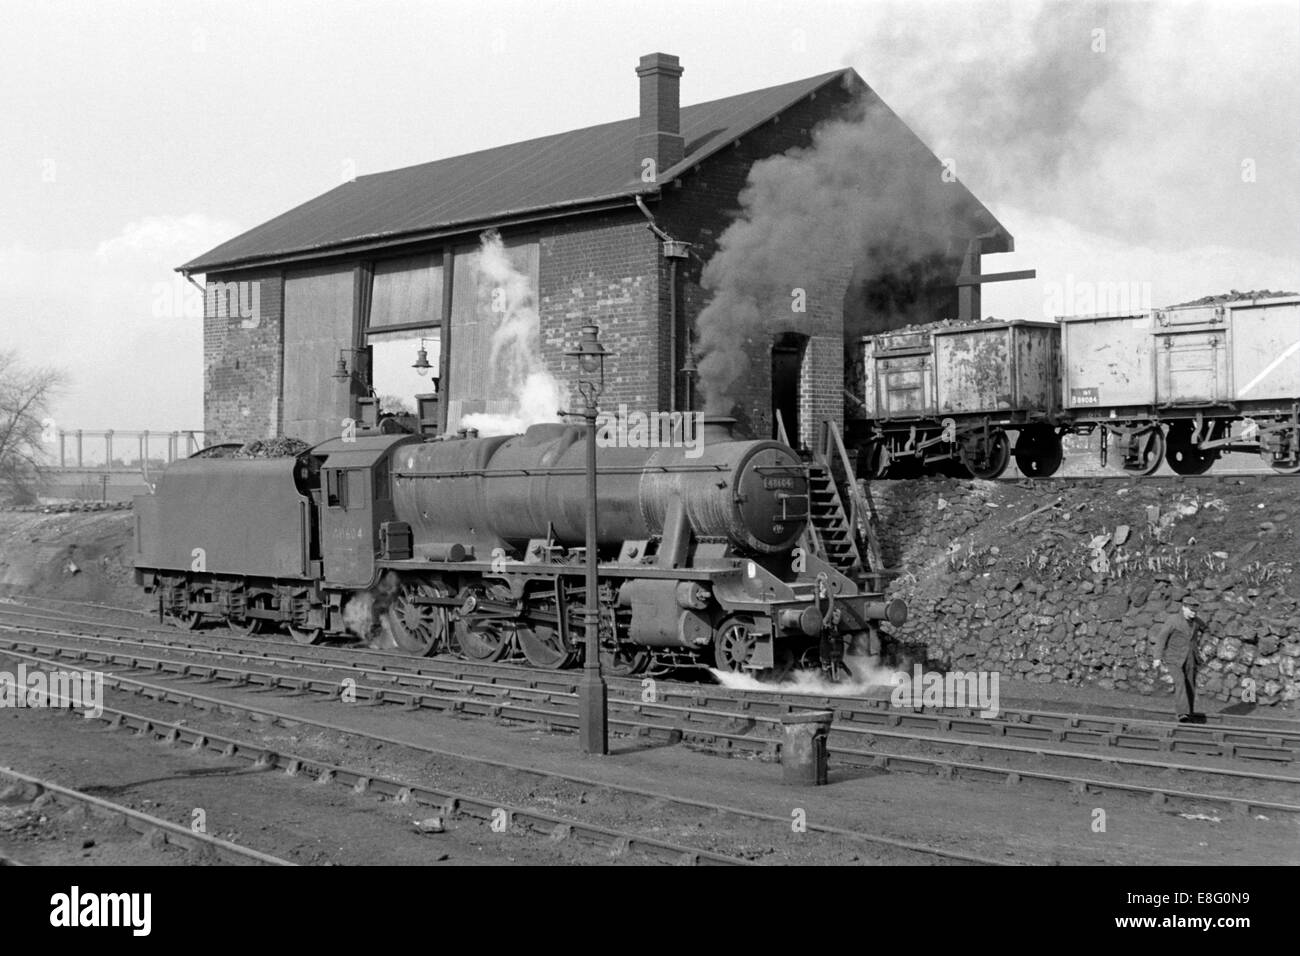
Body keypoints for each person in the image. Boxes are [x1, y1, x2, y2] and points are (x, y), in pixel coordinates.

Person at [1151, 596, 1207, 722]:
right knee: (1180, 682)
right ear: (1184, 608)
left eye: (1195, 611)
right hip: (1174, 658)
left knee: (1190, 685)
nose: (1193, 613)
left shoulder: (1196, 621)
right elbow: (1162, 638)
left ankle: (1189, 713)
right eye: (1191, 611)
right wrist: (1157, 658)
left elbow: (1206, 630)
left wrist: (1201, 646)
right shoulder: (1173, 620)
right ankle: (1182, 713)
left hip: (1191, 658)